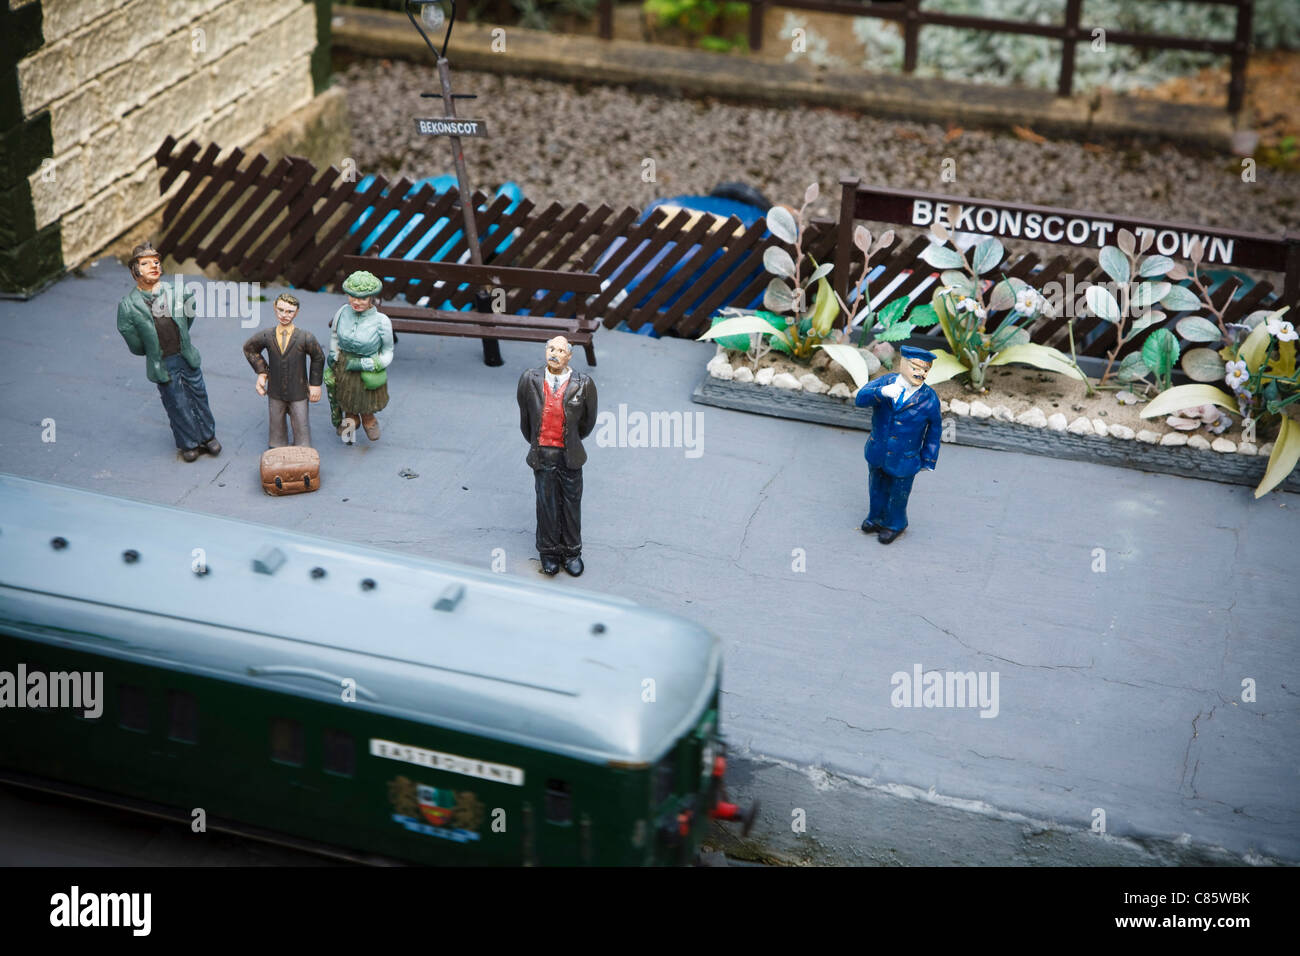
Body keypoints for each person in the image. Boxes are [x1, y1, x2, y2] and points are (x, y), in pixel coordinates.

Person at [115, 241, 220, 462]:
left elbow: (189, 317)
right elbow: (133, 342)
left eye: (156, 262)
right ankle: (188, 442)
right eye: (146, 263)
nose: (154, 266)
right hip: (162, 362)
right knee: (176, 402)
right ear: (135, 271)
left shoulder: (179, 291)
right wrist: (153, 349)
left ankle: (208, 436)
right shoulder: (128, 306)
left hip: (185, 354)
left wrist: (181, 340)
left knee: (199, 395)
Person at [517, 336, 598, 576]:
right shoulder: (529, 380)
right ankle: (549, 551)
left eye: (561, 351)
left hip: (569, 453)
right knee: (546, 504)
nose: (555, 354)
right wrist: (538, 441)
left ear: (569, 356)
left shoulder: (584, 384)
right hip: (542, 453)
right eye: (551, 348)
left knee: (571, 503)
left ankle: (572, 551)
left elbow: (587, 422)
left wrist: (570, 440)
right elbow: (525, 419)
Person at [853, 345, 942, 544]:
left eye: (925, 370)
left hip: (906, 458)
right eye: (916, 367)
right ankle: (875, 517)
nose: (921, 373)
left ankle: (895, 524)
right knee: (876, 486)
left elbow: (934, 430)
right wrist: (882, 392)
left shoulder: (929, 399)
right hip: (878, 450)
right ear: (903, 363)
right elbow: (860, 399)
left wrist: (929, 458)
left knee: (898, 494)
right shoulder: (885, 382)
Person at [242, 293, 325, 448]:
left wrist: (315, 384)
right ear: (275, 308)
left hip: (298, 391)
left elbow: (318, 357)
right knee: (276, 425)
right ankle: (277, 449)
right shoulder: (267, 335)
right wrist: (262, 373)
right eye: (281, 310)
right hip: (275, 391)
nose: (284, 315)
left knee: (301, 424)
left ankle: (303, 450)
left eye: (289, 312)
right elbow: (250, 348)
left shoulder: (305, 337)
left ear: (297, 312)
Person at [326, 271, 394, 444]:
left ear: (371, 298)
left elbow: (388, 351)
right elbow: (334, 335)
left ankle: (368, 419)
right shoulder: (342, 312)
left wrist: (373, 363)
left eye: (362, 298)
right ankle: (351, 421)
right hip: (344, 365)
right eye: (352, 297)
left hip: (367, 369)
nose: (356, 302)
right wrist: (334, 353)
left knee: (365, 401)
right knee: (346, 398)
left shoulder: (381, 321)